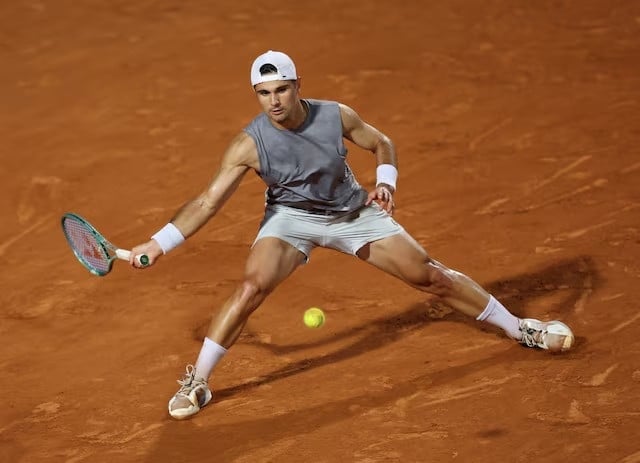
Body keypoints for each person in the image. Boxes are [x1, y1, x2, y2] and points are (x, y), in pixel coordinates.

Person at [129, 50, 575, 420]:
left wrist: (386, 182)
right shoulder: (248, 144)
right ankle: (199, 382)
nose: (274, 102)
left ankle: (521, 329)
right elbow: (208, 202)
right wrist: (158, 242)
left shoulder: (334, 115)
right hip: (291, 218)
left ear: (297, 85)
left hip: (352, 212)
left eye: (281, 89)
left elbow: (383, 143)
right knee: (251, 286)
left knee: (429, 277)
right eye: (263, 94)